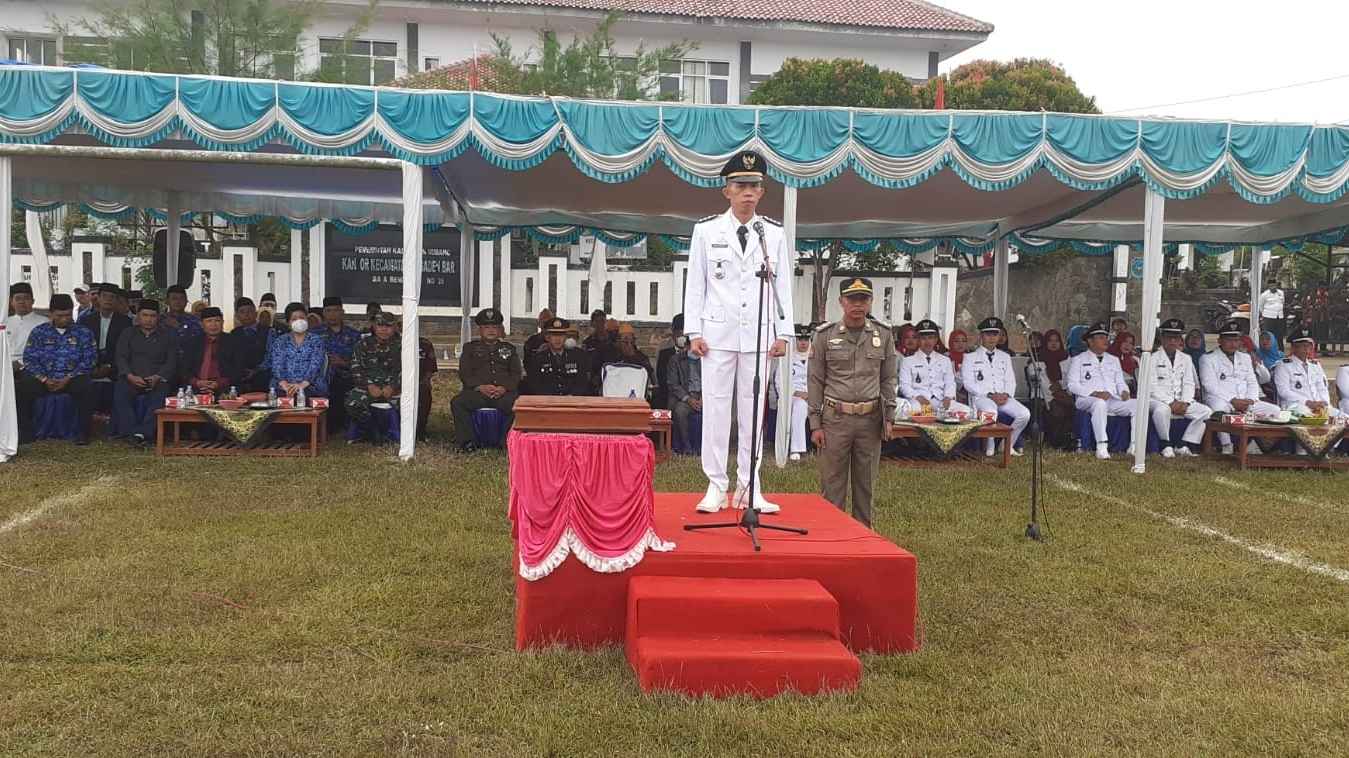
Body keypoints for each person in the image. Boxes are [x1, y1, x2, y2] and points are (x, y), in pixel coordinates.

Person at [684, 150, 794, 515]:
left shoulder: (773, 234)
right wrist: (693, 330)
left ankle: (750, 486)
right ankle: (716, 485)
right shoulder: (706, 230)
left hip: (759, 334)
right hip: (716, 335)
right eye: (740, 185)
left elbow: (783, 288)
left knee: (753, 411)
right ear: (726, 191)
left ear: (762, 192)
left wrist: (784, 333)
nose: (748, 192)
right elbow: (695, 283)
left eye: (754, 186)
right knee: (716, 410)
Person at [807, 278, 896, 527]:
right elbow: (815, 380)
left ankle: (862, 539)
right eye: (852, 299)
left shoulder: (884, 334)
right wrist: (815, 423)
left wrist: (889, 416)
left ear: (870, 302)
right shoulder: (825, 336)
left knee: (865, 485)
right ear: (841, 302)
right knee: (832, 485)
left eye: (863, 299)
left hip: (870, 420)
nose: (858, 304)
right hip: (835, 420)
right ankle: (832, 538)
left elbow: (888, 378)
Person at [16, 294, 97, 445]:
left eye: (68, 314)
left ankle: (82, 434)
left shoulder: (83, 333)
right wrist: (44, 379)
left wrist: (69, 378)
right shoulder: (39, 332)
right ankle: (25, 433)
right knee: (22, 388)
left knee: (86, 386)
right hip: (45, 379)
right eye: (60, 315)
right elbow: (29, 359)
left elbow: (90, 360)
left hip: (71, 379)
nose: (65, 319)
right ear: (51, 313)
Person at [1199, 319, 1279, 455]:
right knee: (1219, 411)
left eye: (1236, 340)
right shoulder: (1208, 358)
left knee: (1275, 411)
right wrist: (1233, 400)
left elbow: (1252, 382)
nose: (1233, 344)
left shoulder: (1245, 357)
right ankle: (1226, 445)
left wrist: (1251, 399)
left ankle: (1256, 443)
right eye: (1229, 340)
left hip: (1245, 399)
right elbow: (1209, 385)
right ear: (1220, 341)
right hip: (1221, 398)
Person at [451, 308, 521, 453]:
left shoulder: (509, 349)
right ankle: (467, 442)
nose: (491, 330)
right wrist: (480, 387)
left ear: (500, 330)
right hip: (479, 393)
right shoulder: (470, 348)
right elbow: (465, 373)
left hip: (503, 394)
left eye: (494, 327)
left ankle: (506, 442)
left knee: (518, 405)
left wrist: (504, 388)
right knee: (458, 402)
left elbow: (516, 374)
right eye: (486, 327)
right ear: (480, 330)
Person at [961, 317, 1030, 457]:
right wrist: (990, 395)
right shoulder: (970, 357)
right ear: (981, 336)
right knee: (990, 410)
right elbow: (968, 383)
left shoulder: (1004, 356)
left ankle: (1007, 445)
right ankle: (990, 444)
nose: (992, 338)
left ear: (999, 336)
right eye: (988, 334)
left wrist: (1006, 395)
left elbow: (1011, 380)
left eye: (995, 334)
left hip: (1003, 397)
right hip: (982, 397)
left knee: (1024, 414)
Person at [1066, 321, 1134, 460]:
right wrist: (1095, 393)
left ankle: (1134, 445)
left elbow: (1120, 382)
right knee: (1099, 404)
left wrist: (1124, 391)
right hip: (1086, 399)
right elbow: (1072, 385)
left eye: (1106, 337)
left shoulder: (1113, 359)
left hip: (1112, 398)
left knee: (1138, 406)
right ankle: (1101, 446)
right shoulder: (1078, 359)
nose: (1105, 340)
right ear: (1090, 341)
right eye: (1101, 337)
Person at [113, 298, 177, 445]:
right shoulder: (128, 333)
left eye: (152, 316)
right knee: (120, 391)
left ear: (158, 317)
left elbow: (172, 361)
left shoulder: (168, 336)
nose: (148, 319)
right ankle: (131, 431)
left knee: (161, 395)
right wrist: (130, 376)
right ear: (138, 316)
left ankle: (144, 433)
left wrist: (158, 376)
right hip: (132, 378)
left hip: (157, 379)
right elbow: (121, 357)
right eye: (145, 315)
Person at [1149, 318, 1212, 458]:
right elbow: (1151, 386)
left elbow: (1189, 383)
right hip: (1157, 399)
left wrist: (1185, 402)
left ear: (1180, 340)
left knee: (1206, 411)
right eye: (1169, 337)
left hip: (1180, 400)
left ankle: (1184, 443)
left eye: (1176, 338)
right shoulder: (1152, 358)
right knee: (1162, 410)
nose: (1172, 341)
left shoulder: (1186, 358)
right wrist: (1170, 402)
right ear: (1162, 338)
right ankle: (1166, 444)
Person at [346, 311, 401, 444]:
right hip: (368, 388)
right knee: (353, 402)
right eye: (380, 325)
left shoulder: (402, 346)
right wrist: (369, 385)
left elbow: (406, 371)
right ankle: (371, 431)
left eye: (388, 326)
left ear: (394, 328)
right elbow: (356, 368)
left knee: (407, 403)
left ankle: (393, 435)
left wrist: (393, 386)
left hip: (395, 389)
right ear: (374, 326)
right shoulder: (363, 345)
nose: (384, 329)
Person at [900, 318, 971, 418]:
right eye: (923, 338)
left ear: (936, 340)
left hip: (941, 401)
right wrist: (918, 397)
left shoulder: (944, 360)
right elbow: (904, 386)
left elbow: (950, 383)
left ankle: (948, 431)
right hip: (919, 402)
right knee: (908, 411)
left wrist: (948, 397)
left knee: (967, 412)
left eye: (931, 337)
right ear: (918, 340)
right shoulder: (908, 361)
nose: (927, 341)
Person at [77, 284, 132, 408]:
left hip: (115, 368)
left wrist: (109, 367)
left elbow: (125, 350)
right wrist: (92, 368)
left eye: (112, 297)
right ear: (99, 299)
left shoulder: (125, 322)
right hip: (90, 367)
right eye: (105, 296)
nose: (108, 300)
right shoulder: (85, 321)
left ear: (116, 300)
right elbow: (80, 348)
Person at [264, 303, 328, 399]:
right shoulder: (281, 341)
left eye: (302, 318)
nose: (299, 321)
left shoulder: (316, 340)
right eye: (294, 319)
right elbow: (277, 365)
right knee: (277, 394)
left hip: (310, 385)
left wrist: (302, 384)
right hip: (283, 385)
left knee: (306, 396)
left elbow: (315, 365)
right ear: (288, 322)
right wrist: (284, 384)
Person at [1273, 329, 1340, 417]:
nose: (1306, 349)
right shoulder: (1283, 365)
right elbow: (1284, 391)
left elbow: (1322, 387)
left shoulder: (1315, 365)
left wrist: (1324, 402)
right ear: (1294, 348)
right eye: (1303, 346)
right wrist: (1307, 402)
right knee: (1308, 415)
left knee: (1342, 417)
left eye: (1308, 346)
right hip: (1296, 405)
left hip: (1318, 405)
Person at [179, 307, 245, 395]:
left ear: (222, 322)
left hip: (225, 388)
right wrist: (197, 382)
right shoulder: (192, 343)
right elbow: (184, 370)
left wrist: (218, 384)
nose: (213, 325)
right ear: (202, 324)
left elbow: (239, 370)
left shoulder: (234, 342)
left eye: (217, 321)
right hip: (196, 388)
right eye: (209, 321)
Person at [319, 296, 362, 429]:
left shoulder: (354, 335)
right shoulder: (314, 334)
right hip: (322, 376)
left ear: (342, 312)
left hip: (347, 376)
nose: (332, 314)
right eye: (329, 310)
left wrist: (342, 362)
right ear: (323, 313)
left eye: (336, 310)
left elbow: (361, 361)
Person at [526, 317, 592, 396]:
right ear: (547, 337)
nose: (558, 339)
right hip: (547, 403)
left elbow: (583, 382)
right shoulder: (538, 358)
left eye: (561, 335)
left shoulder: (578, 356)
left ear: (566, 337)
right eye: (554, 335)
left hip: (573, 402)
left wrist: (572, 396)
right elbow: (535, 385)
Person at [668, 323, 703, 455]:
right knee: (680, 411)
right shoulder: (676, 360)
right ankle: (687, 447)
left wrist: (703, 398)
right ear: (688, 346)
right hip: (686, 397)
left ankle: (706, 448)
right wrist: (689, 399)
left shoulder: (706, 360)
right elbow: (673, 385)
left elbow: (712, 381)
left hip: (704, 396)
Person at [601, 323, 655, 396]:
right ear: (618, 341)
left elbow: (651, 376)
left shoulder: (641, 357)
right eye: (625, 341)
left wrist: (632, 355)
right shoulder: (610, 357)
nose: (629, 345)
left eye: (631, 341)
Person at [230, 297, 270, 392]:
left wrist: (256, 370)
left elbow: (272, 356)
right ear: (237, 316)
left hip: (264, 377)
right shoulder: (234, 334)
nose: (246, 315)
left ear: (256, 314)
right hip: (241, 379)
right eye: (242, 312)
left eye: (250, 311)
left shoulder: (268, 331)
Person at [6, 283, 46, 371]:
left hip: (32, 368)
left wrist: (20, 363)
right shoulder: (5, 323)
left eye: (26, 298)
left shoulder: (44, 323)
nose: (22, 302)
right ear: (11, 302)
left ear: (33, 301)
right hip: (5, 366)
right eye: (18, 299)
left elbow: (45, 350)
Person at [787, 324, 812, 461]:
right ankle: (796, 449)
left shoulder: (815, 357)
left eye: (806, 339)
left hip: (814, 396)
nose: (803, 343)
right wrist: (797, 393)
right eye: (800, 339)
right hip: (794, 397)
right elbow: (780, 382)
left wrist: (812, 394)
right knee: (800, 406)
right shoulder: (788, 357)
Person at [653, 313, 682, 410]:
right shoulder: (664, 350)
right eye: (678, 333)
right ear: (673, 332)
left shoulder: (694, 349)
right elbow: (660, 376)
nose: (681, 336)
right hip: (669, 392)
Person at [418, 332, 437, 440]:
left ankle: (420, 431)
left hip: (419, 382)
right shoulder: (393, 342)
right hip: (395, 382)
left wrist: (425, 381)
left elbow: (430, 367)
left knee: (424, 393)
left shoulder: (424, 344)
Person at [1259, 283, 1285, 348]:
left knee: (1279, 335)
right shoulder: (1264, 295)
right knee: (1268, 334)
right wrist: (1265, 313)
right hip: (1268, 317)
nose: (1273, 287)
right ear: (1269, 286)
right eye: (1271, 285)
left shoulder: (1281, 293)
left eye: (1274, 285)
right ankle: (1267, 349)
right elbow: (1261, 306)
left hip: (1279, 316)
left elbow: (1282, 302)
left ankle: (1280, 350)